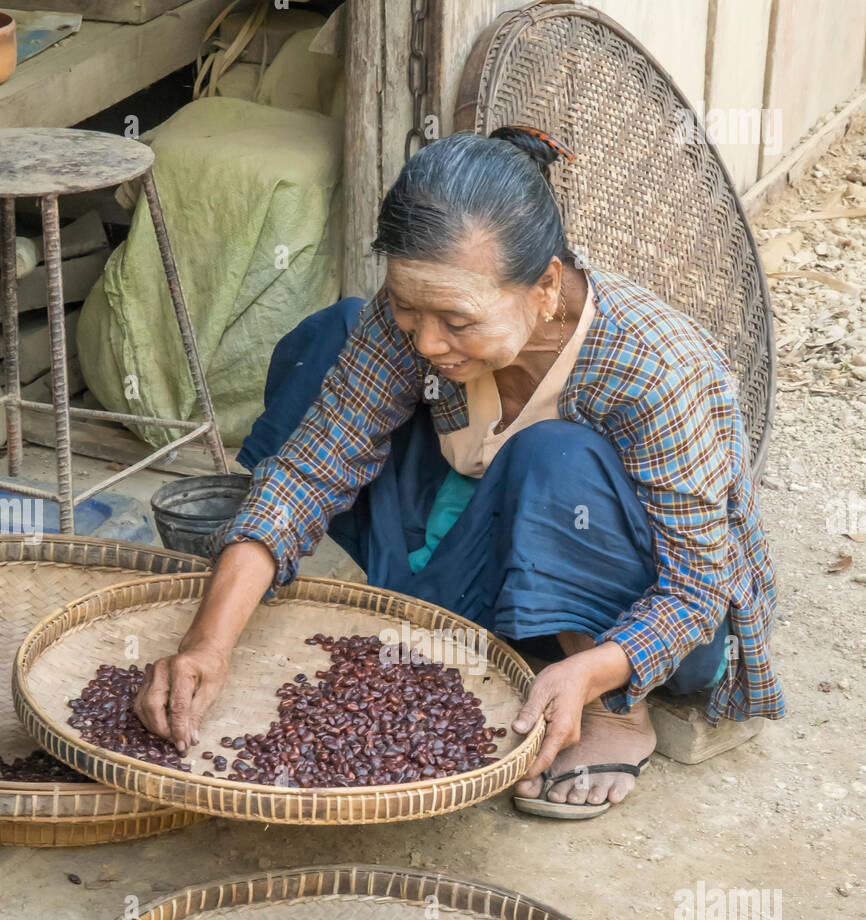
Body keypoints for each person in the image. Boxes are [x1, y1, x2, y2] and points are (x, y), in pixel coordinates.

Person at [135, 127, 784, 820]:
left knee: (553, 455)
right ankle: (455, 617)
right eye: (410, 310)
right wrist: (207, 643)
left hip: (656, 618)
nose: (426, 341)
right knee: (329, 337)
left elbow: (695, 589)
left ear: (545, 288)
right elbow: (310, 466)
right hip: (485, 540)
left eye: (455, 321)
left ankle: (615, 711)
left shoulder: (653, 368)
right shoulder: (413, 321)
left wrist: (595, 671)